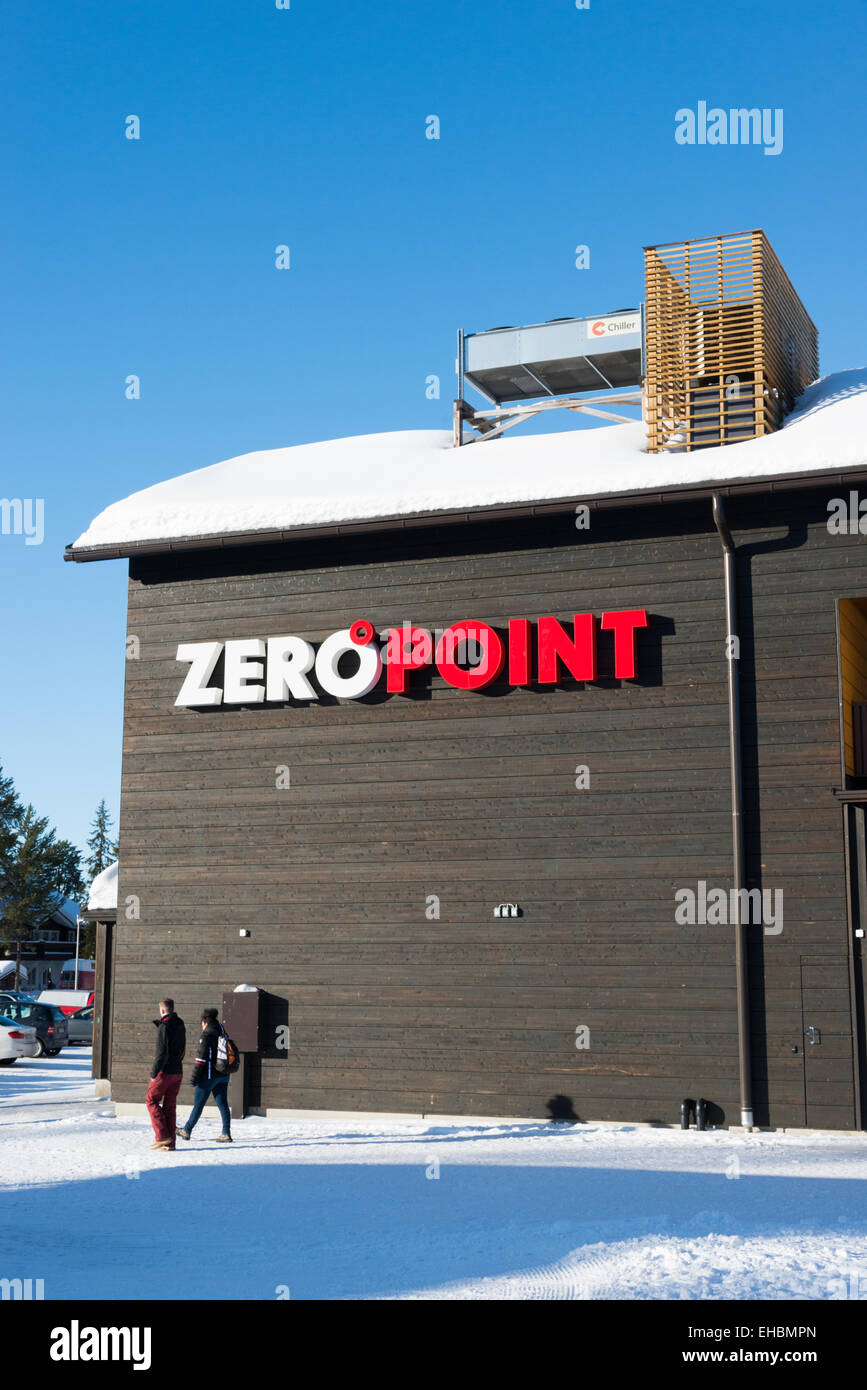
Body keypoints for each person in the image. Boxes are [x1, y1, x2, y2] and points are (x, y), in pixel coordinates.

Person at [177, 1007, 232, 1143]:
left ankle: (186, 1130)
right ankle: (226, 1133)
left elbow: (200, 1059)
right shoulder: (222, 1031)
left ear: (204, 1022)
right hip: (223, 1075)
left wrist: (194, 1078)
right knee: (223, 1104)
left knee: (198, 1105)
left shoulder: (206, 1035)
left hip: (208, 1076)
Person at [145, 998, 186, 1151]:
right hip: (178, 1070)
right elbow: (183, 1049)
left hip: (165, 1071)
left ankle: (162, 1136)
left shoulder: (164, 1026)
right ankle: (170, 1143)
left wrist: (154, 1072)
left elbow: (161, 1053)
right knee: (170, 1106)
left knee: (150, 1100)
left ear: (162, 1010)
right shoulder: (180, 1024)